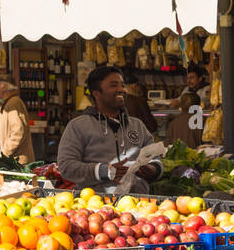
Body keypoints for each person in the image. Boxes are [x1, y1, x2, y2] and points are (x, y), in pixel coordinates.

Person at [57, 65, 163, 194]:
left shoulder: (137, 125)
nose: (121, 89)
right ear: (97, 93)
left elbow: (155, 156)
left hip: (138, 203)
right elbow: (66, 166)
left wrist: (153, 169)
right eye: (113, 85)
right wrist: (103, 170)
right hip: (94, 205)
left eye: (122, 85)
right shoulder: (78, 126)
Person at [0, 76, 35, 165]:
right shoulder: (7, 103)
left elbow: (18, 132)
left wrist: (4, 154)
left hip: (18, 162)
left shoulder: (13, 103)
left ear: (4, 86)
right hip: (13, 161)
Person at [121, 66, 158, 133]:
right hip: (141, 135)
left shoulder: (118, 102)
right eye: (137, 85)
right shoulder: (139, 101)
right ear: (133, 85)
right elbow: (151, 123)